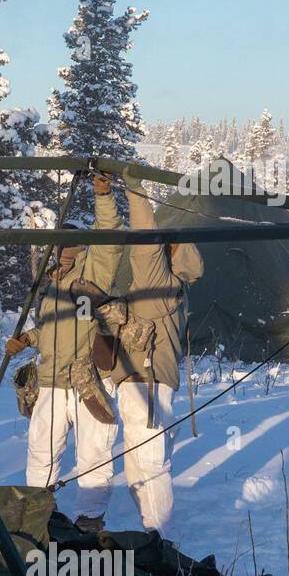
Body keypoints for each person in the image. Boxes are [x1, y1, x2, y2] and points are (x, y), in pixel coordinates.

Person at [7, 172, 120, 521]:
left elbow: (111, 240)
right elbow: (52, 330)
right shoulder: (51, 283)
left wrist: (103, 195)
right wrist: (28, 338)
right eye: (58, 247)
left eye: (65, 245)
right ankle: (41, 521)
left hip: (88, 381)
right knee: (41, 453)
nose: (60, 252)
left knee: (94, 456)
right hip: (51, 380)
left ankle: (89, 521)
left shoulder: (93, 274)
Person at [94, 170, 203, 533]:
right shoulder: (158, 293)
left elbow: (144, 240)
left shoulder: (161, 284)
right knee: (138, 465)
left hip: (149, 382)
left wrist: (135, 191)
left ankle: (158, 537)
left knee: (151, 463)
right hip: (134, 380)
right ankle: (149, 528)